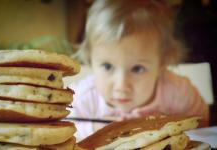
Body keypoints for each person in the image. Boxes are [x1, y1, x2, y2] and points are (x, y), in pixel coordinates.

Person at [69, 0, 209, 141]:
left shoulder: (178, 91)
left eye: (137, 69)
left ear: (162, 63)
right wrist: (93, 129)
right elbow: (63, 128)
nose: (121, 86)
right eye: (107, 66)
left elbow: (201, 122)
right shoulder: (83, 98)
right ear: (89, 58)